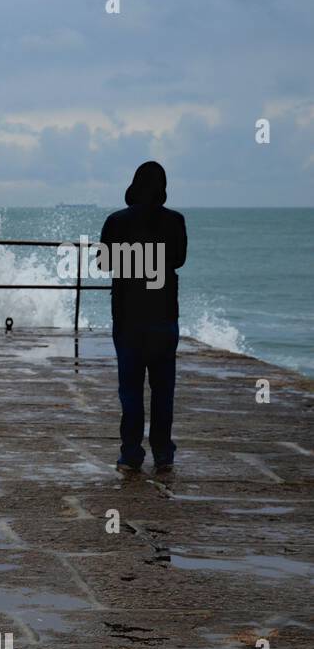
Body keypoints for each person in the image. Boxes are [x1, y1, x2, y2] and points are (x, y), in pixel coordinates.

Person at [99, 161, 187, 476]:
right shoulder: (175, 221)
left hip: (129, 318)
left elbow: (104, 264)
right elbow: (179, 259)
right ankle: (163, 453)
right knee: (163, 390)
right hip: (164, 316)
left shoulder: (117, 221)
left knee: (131, 391)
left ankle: (130, 454)